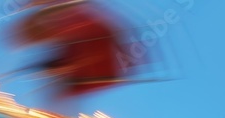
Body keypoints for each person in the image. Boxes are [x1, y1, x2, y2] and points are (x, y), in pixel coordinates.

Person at [9, 0, 141, 107]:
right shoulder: (70, 30)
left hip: (102, 66)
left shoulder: (73, 24)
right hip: (97, 67)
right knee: (57, 91)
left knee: (58, 91)